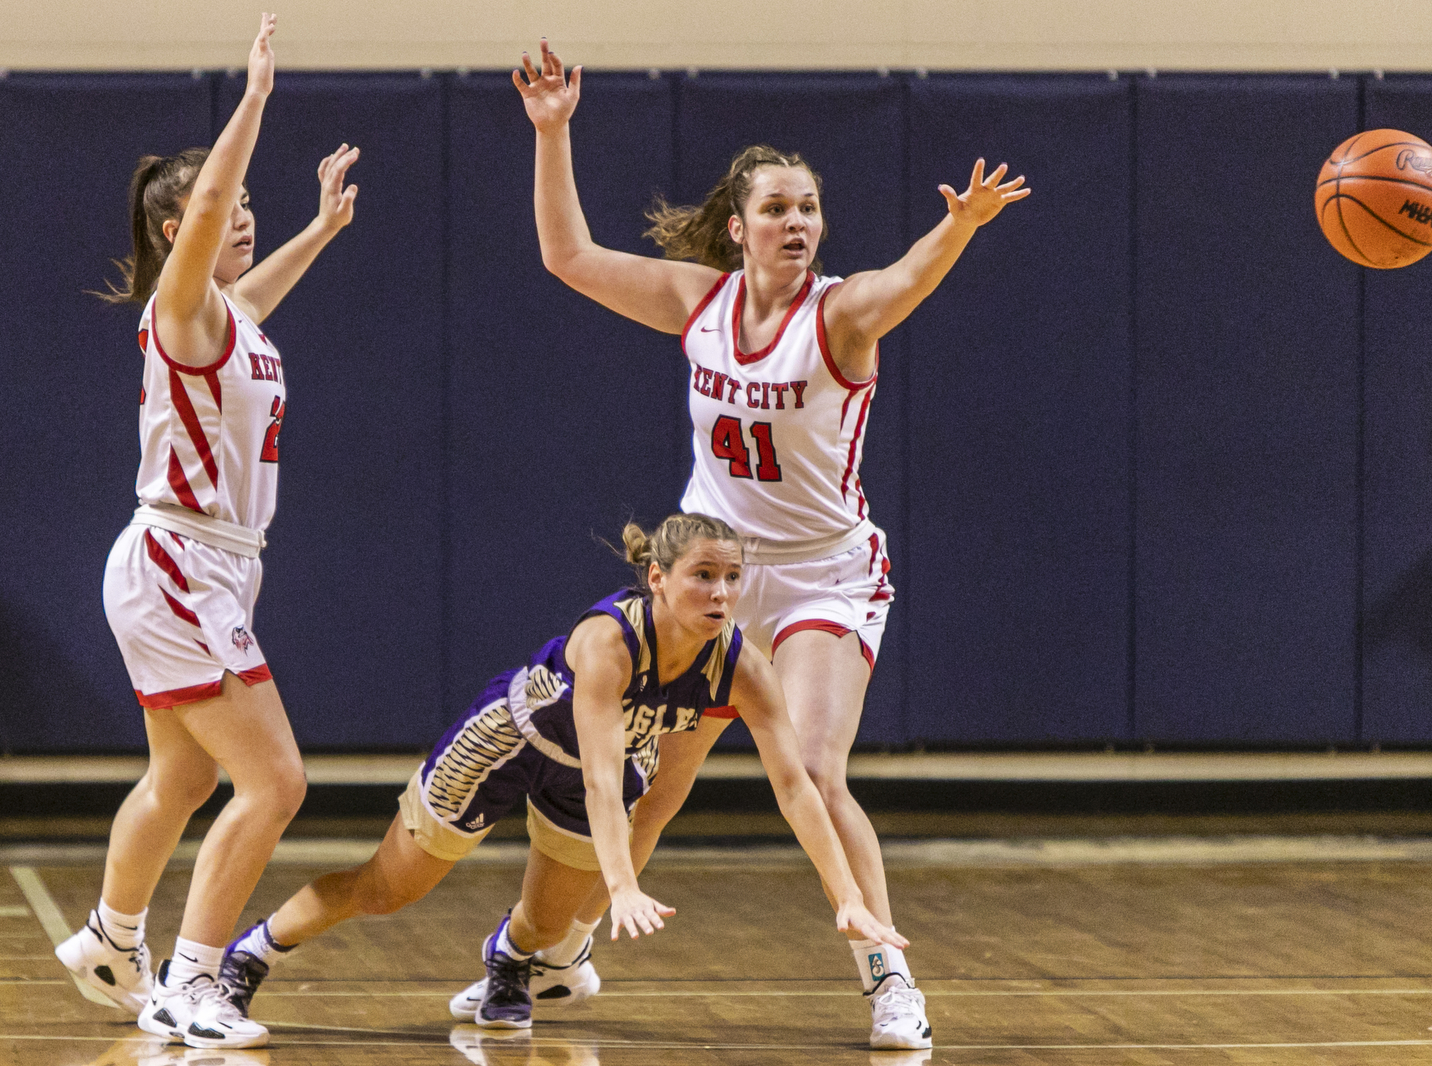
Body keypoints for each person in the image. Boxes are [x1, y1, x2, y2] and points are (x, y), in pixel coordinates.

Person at [503, 39, 1029, 1050]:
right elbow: (567, 256)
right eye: (778, 208)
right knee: (659, 786)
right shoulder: (696, 303)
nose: (797, 222)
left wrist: (957, 227)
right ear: (738, 228)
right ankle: (559, 947)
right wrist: (553, 132)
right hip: (715, 576)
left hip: (825, 573)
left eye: (810, 208)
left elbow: (905, 279)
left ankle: (888, 976)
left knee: (818, 774)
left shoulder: (841, 314)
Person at [217, 514, 906, 1035]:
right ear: (658, 579)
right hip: (509, 741)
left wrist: (847, 895)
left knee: (547, 926)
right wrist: (622, 886)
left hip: (594, 771)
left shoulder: (742, 663)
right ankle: (251, 954)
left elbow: (795, 787)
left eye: (731, 578)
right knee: (387, 888)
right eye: (703, 575)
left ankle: (509, 957)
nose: (721, 593)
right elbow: (605, 780)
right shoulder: (609, 641)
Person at [54, 13, 360, 1051]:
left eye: (246, 208)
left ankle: (111, 937)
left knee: (184, 778)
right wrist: (256, 97)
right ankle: (190, 983)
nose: (241, 219)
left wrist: (318, 229)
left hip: (206, 568)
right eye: (224, 209)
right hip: (177, 561)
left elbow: (257, 291)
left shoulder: (232, 319)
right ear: (175, 228)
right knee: (276, 781)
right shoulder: (178, 307)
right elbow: (216, 214)